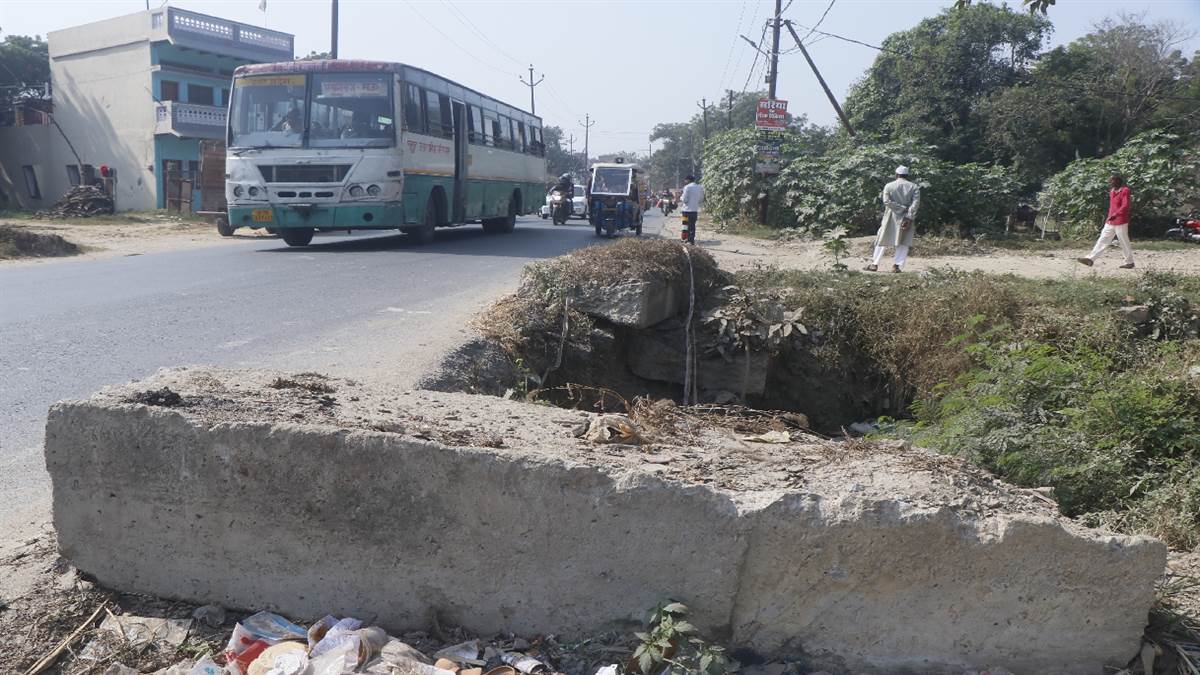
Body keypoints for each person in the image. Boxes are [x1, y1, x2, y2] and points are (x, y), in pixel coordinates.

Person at [865, 166, 921, 272]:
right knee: (904, 241)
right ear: (907, 175)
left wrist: (900, 208)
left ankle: (874, 264)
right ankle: (896, 266)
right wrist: (909, 217)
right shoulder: (914, 187)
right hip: (906, 217)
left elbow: (886, 201)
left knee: (881, 239)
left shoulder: (889, 186)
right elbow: (915, 204)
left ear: (896, 175)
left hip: (891, 215)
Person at [1077, 174, 1135, 269]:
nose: (1110, 182)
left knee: (1123, 241)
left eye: (1112, 180)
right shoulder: (1112, 191)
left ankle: (1129, 262)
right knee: (1102, 240)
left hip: (1121, 221)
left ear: (1118, 181)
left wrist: (1115, 215)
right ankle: (1090, 259)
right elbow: (1112, 206)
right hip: (1110, 221)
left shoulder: (1125, 190)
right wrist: (1109, 217)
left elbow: (1125, 205)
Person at [679, 175, 704, 244]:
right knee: (692, 225)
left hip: (686, 210)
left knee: (685, 225)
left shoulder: (687, 187)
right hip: (694, 210)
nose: (685, 182)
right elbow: (701, 199)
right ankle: (691, 240)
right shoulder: (700, 187)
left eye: (685, 180)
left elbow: (685, 199)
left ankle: (684, 238)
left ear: (688, 180)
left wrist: (680, 197)